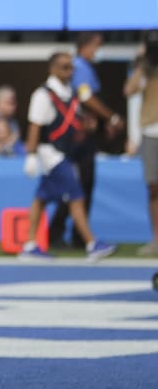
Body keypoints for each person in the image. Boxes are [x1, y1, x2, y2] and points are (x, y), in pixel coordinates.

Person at [20, 52, 116, 262]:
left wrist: (89, 127)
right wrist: (31, 155)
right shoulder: (43, 94)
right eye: (64, 67)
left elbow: (72, 121)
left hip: (65, 151)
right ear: (52, 69)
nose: (69, 71)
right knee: (76, 195)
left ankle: (29, 245)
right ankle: (91, 243)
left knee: (42, 198)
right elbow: (35, 126)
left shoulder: (70, 93)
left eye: (71, 67)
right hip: (50, 154)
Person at [49, 32, 124, 249]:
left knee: (78, 185)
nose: (97, 52)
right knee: (78, 185)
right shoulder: (81, 67)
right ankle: (68, 234)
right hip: (78, 138)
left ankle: (72, 234)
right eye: (96, 46)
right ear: (86, 46)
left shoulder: (83, 68)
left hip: (81, 134)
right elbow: (85, 98)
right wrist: (111, 117)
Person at [124, 33, 158, 255]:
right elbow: (129, 90)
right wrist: (141, 64)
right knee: (154, 187)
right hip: (151, 131)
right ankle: (157, 239)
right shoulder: (146, 70)